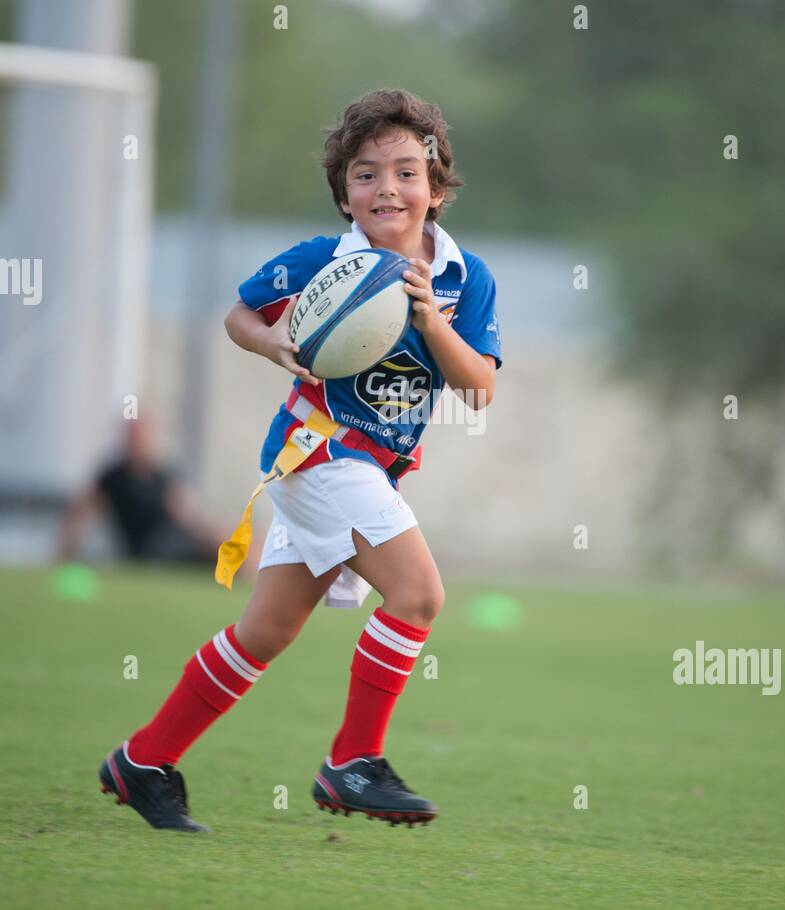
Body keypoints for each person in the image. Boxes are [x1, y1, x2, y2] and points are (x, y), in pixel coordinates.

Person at [98, 88, 502, 833]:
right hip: (317, 453)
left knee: (267, 631)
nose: (387, 187)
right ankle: (353, 761)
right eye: (365, 174)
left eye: (407, 172)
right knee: (417, 596)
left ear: (436, 190)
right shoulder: (323, 263)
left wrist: (429, 321)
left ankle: (144, 760)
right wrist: (273, 342)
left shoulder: (464, 278)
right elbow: (239, 314)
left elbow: (477, 388)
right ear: (343, 196)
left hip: (368, 468)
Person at [57, 409, 236, 571]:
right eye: (133, 435)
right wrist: (63, 553)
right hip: (149, 552)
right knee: (218, 552)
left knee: (227, 544)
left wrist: (215, 534)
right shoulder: (113, 477)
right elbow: (81, 512)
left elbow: (188, 514)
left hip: (175, 541)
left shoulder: (162, 475)